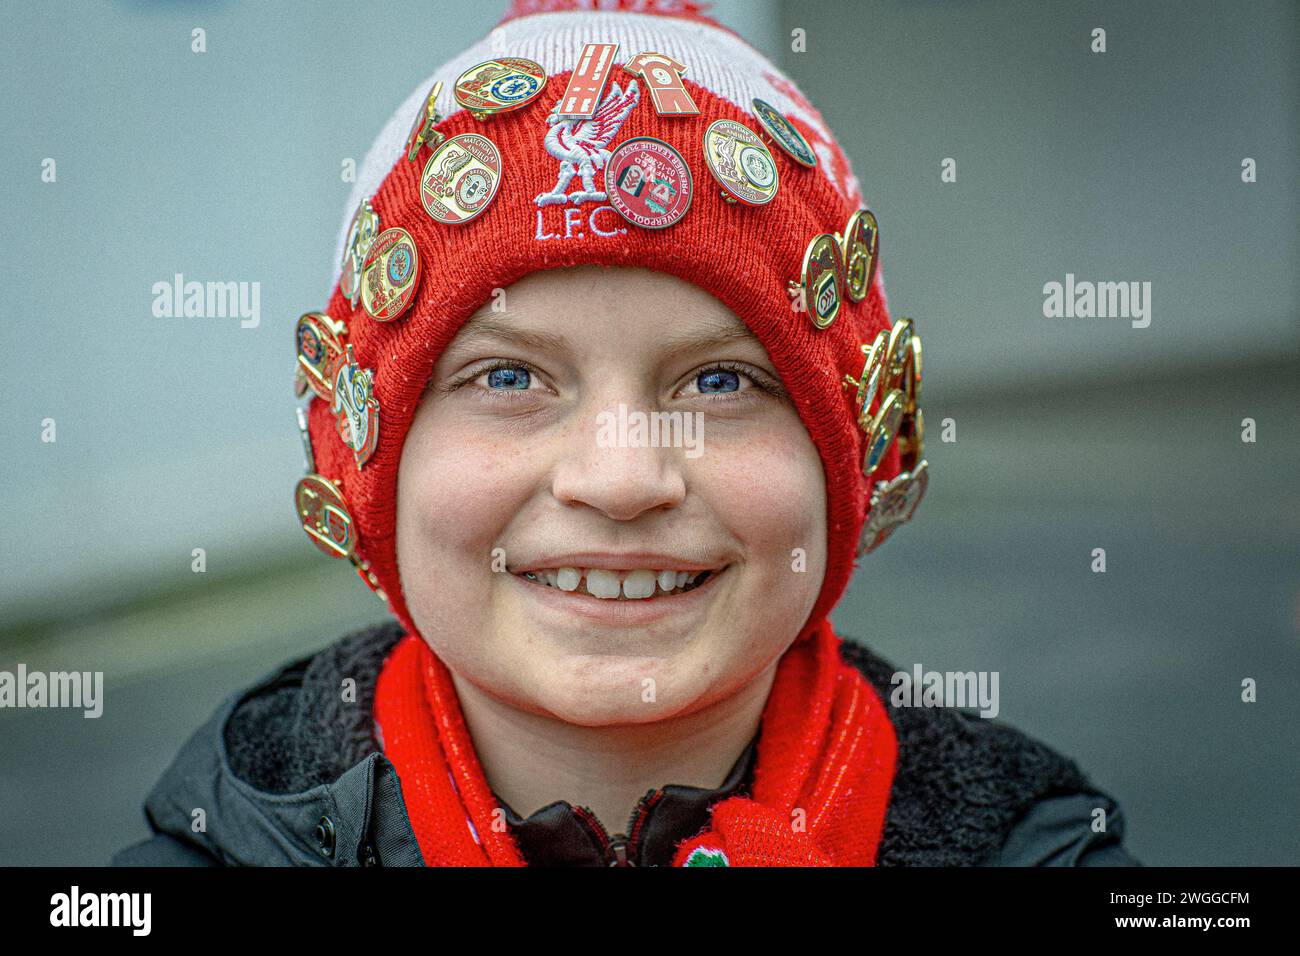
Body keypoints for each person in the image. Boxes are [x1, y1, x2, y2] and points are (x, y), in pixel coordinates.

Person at [111, 0, 1139, 867]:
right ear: (364, 458)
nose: (620, 475)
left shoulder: (1029, 844)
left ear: (854, 457)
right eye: (508, 375)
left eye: (721, 379)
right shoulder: (223, 838)